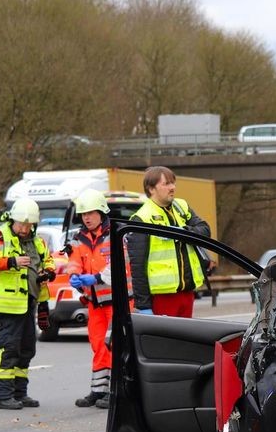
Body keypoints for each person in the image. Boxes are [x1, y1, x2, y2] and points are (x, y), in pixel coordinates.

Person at [0, 199, 56, 410]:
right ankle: (3, 396)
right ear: (13, 219)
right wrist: (10, 262)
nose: (24, 228)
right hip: (5, 305)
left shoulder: (37, 241)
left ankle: (20, 393)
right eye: (21, 224)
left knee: (26, 349)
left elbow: (48, 261)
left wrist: (48, 271)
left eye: (28, 225)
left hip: (28, 303)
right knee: (7, 349)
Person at [127, 166, 213, 317]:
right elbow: (138, 268)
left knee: (186, 340)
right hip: (162, 297)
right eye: (166, 184)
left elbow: (205, 230)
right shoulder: (142, 218)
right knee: (166, 341)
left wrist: (185, 232)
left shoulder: (181, 207)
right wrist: (143, 305)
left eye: (173, 183)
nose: (172, 187)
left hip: (187, 293)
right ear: (151, 189)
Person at [67, 189, 115, 409]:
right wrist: (74, 275)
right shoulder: (79, 239)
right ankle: (98, 390)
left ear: (101, 212)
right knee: (98, 345)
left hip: (117, 302)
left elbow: (119, 267)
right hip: (95, 302)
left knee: (114, 345)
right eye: (83, 213)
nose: (86, 217)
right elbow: (74, 261)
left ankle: (114, 391)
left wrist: (94, 278)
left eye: (90, 213)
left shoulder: (114, 234)